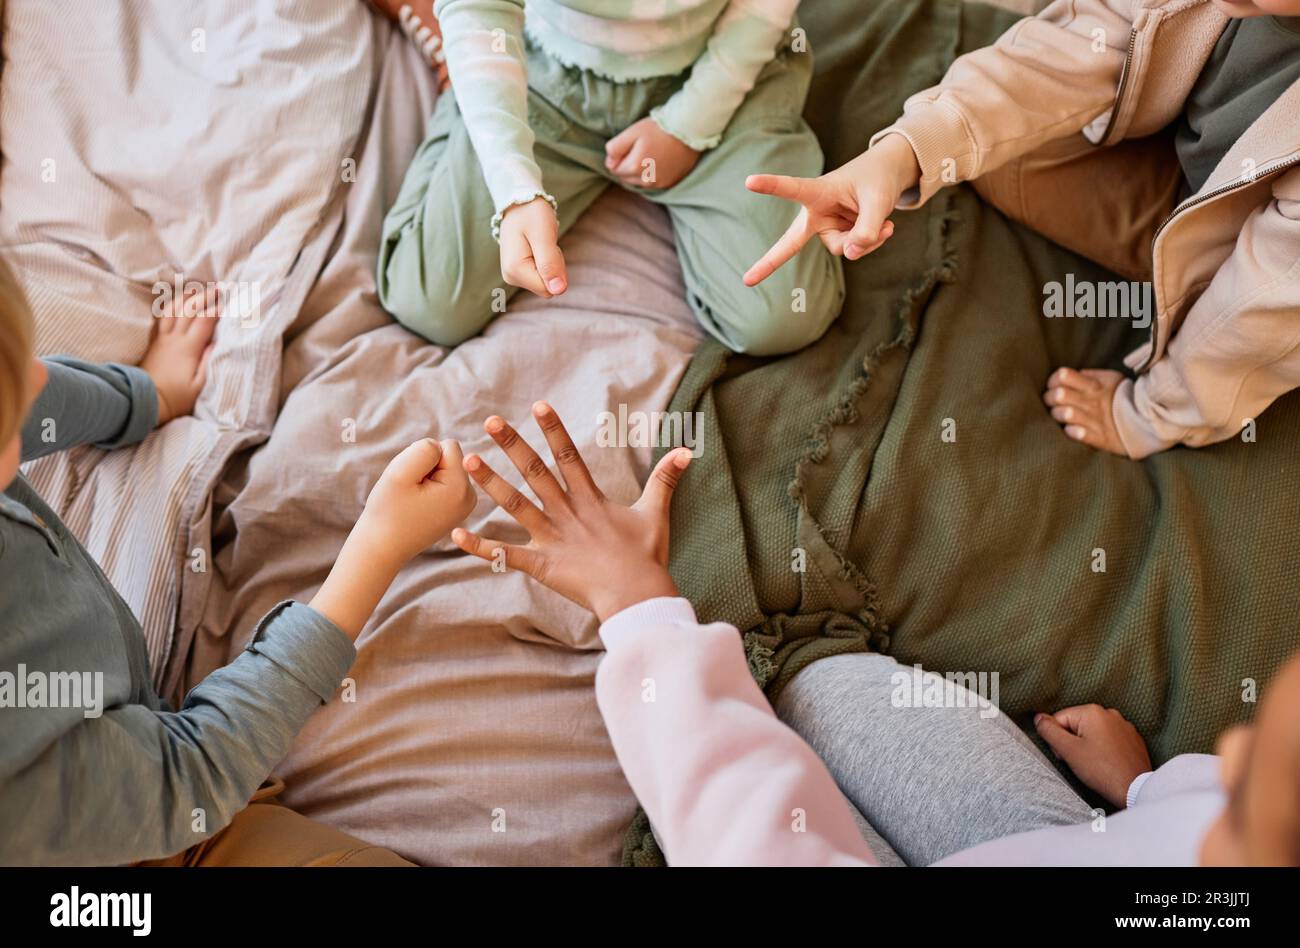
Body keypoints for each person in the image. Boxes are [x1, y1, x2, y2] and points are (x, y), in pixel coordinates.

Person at [454, 402, 1299, 865]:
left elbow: (740, 839)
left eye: (1250, 778)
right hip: (1074, 845)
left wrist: (636, 607)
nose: (1233, 756)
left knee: (783, 732)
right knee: (821, 690)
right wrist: (1150, 795)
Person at [0, 261, 475, 865]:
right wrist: (377, 548)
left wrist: (144, 396)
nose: (37, 374)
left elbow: (28, 393)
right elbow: (191, 777)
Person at [744, 0, 1300, 458]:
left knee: (1248, 311)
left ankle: (1184, 278)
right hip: (1196, 170)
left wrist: (1150, 413)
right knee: (994, 153)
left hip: (1259, 249)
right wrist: (902, 154)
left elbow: (1259, 314)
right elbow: (1086, 36)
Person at [374, 0, 844, 356]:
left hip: (724, 60)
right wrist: (514, 187)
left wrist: (689, 124)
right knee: (428, 303)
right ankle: (452, 66)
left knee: (783, 319)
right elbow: (479, 9)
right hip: (546, 68)